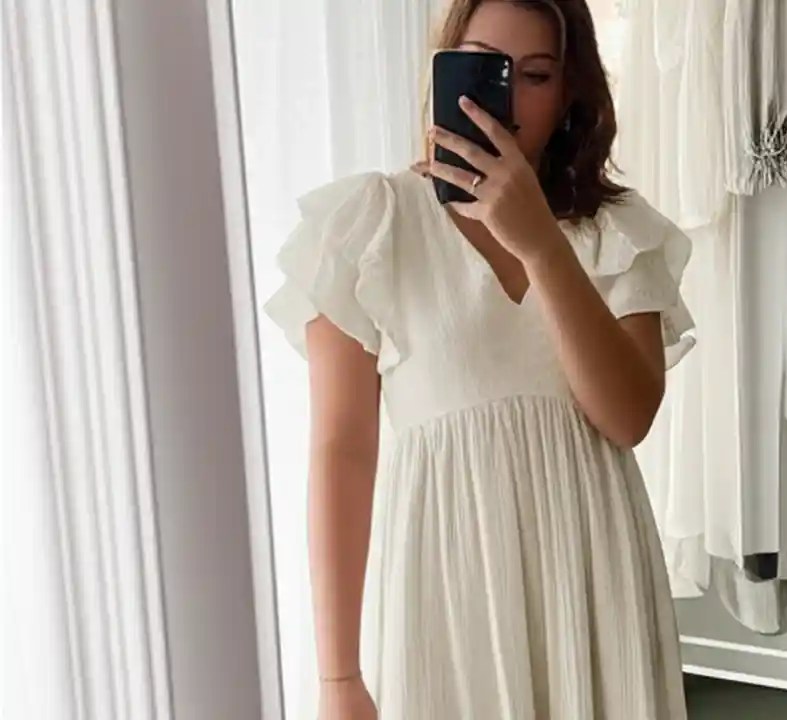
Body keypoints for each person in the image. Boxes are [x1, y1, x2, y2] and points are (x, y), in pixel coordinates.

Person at [262, 1, 695, 717]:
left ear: (570, 92)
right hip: (448, 590)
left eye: (536, 75)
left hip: (595, 580)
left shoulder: (615, 232)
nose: (509, 100)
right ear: (445, 71)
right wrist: (338, 677)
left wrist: (541, 245)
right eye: (487, 68)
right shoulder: (370, 225)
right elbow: (342, 453)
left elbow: (627, 418)